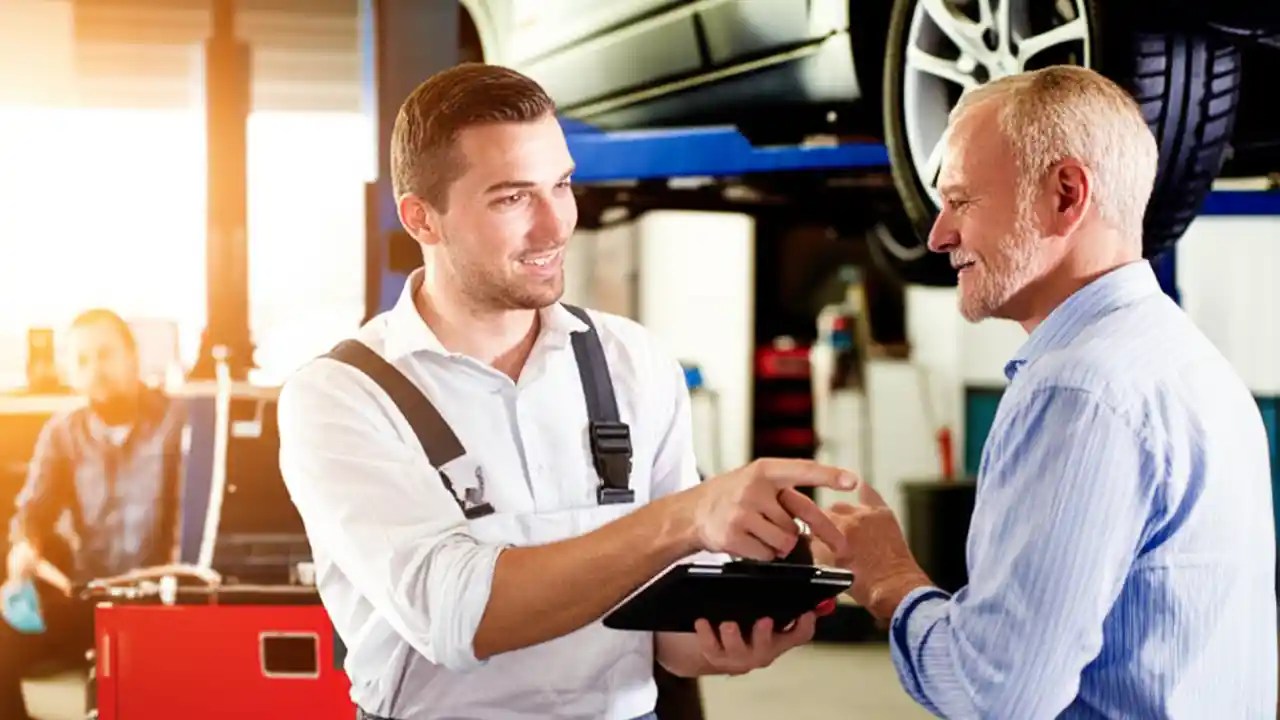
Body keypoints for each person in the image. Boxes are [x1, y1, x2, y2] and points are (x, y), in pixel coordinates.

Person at [276, 62, 855, 720]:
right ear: (421, 219)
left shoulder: (631, 361)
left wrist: (722, 639)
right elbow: (456, 617)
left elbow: (662, 637)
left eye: (562, 184)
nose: (555, 226)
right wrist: (689, 516)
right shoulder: (342, 395)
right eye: (511, 197)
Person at [813, 64, 1279, 718]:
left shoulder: (1080, 388)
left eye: (961, 200)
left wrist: (890, 579)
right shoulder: (1186, 362)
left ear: (1065, 194)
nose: (938, 235)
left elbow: (1000, 693)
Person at [1, 308, 187, 720]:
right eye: (82, 360)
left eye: (105, 355)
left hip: (166, 605)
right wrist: (24, 550)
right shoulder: (62, 432)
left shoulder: (179, 422)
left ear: (132, 357)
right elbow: (32, 511)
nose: (95, 369)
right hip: (92, 599)